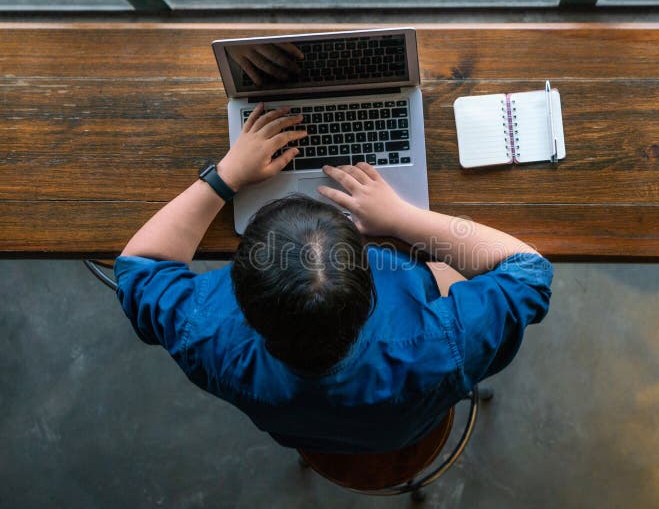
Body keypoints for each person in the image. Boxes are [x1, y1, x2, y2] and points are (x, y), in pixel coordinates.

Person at [115, 103, 553, 452]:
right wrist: (399, 219)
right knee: (442, 270)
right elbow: (528, 271)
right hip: (402, 434)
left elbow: (139, 268)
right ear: (369, 284)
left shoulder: (206, 335)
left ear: (239, 292)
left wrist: (225, 176)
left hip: (303, 436)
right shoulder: (440, 347)